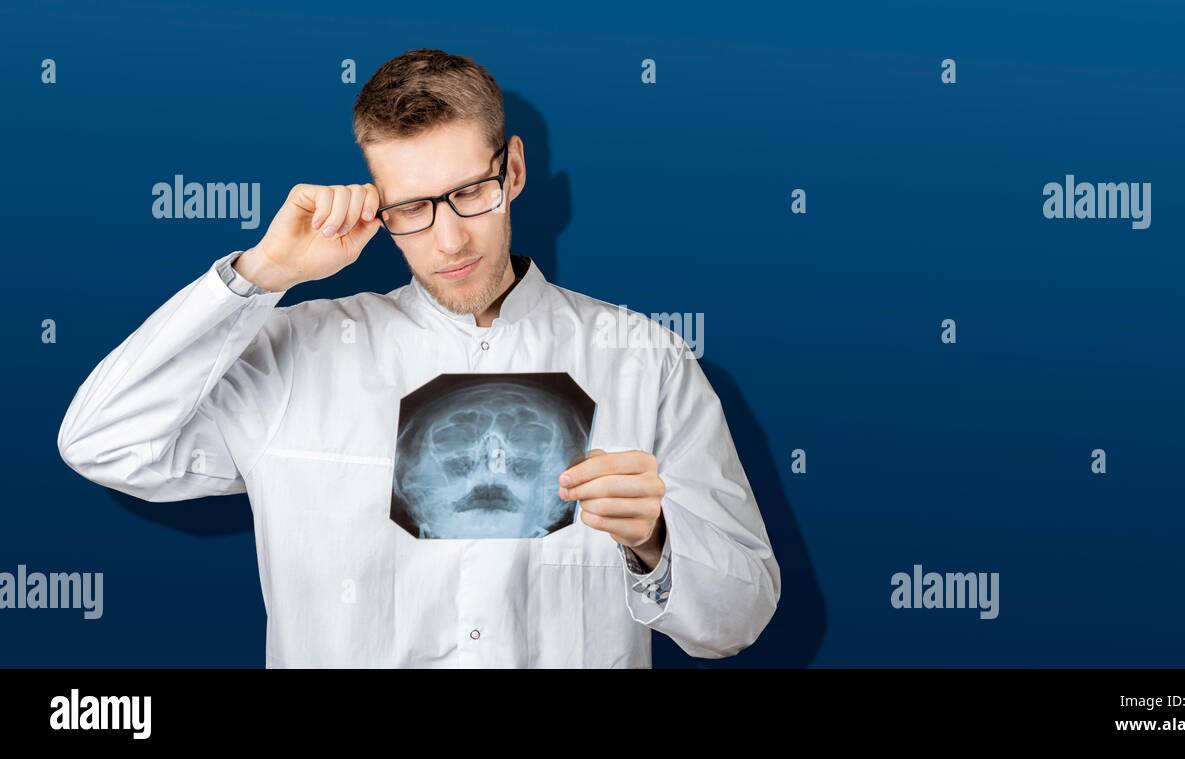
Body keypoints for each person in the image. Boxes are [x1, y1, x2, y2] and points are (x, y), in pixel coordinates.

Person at [56, 48, 779, 667]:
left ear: (515, 169)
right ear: (378, 206)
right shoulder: (296, 355)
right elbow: (103, 440)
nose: (449, 241)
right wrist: (259, 274)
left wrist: (654, 540)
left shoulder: (644, 360)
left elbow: (739, 620)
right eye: (412, 208)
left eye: (470, 193)